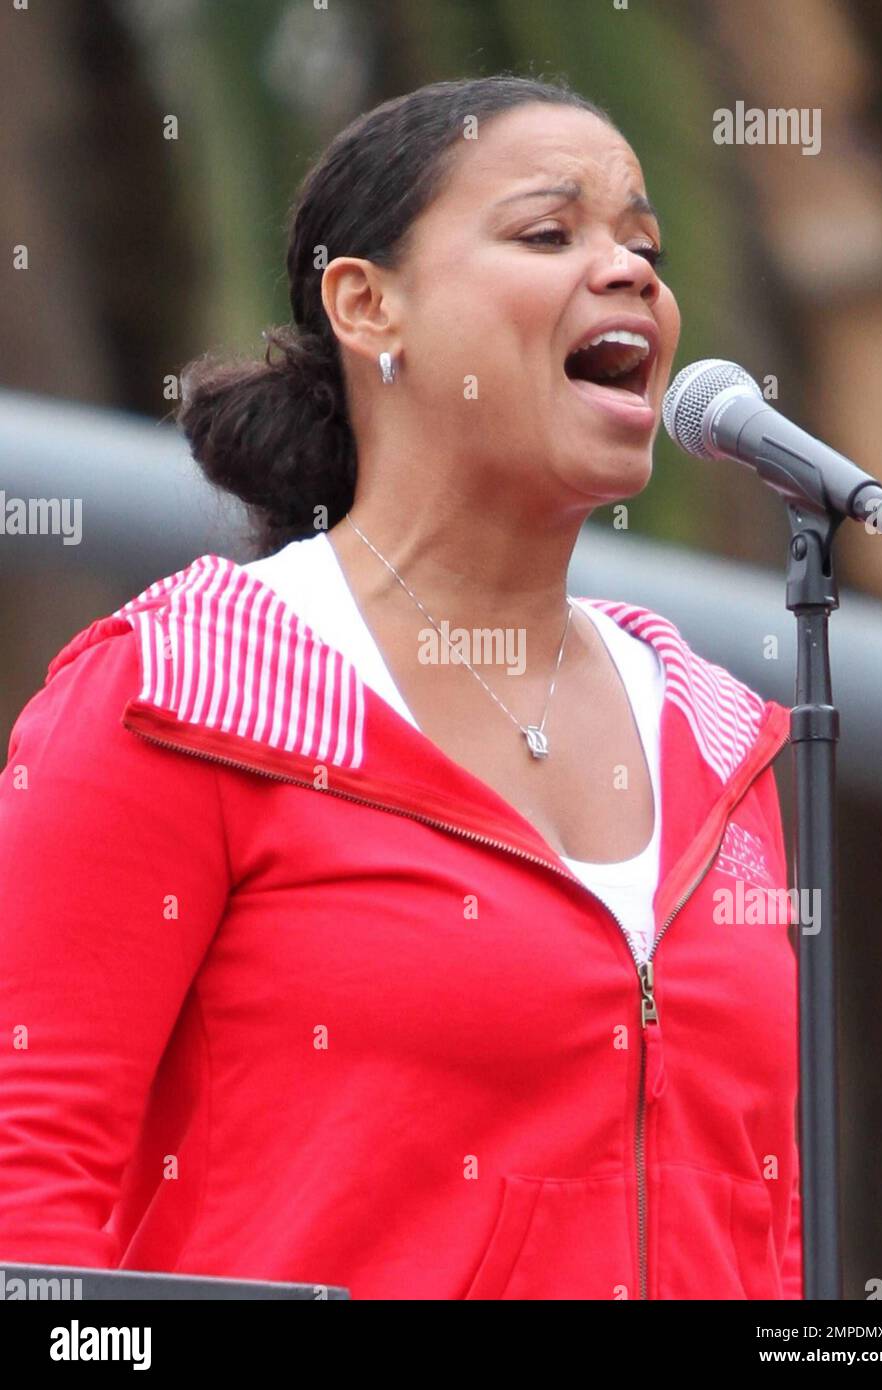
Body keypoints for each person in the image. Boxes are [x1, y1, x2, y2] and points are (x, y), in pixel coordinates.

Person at [0, 73, 801, 1300]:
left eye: (643, 242)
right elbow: (27, 1173)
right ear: (367, 305)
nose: (630, 270)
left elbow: (762, 1220)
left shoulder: (717, 732)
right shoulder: (185, 691)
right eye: (549, 231)